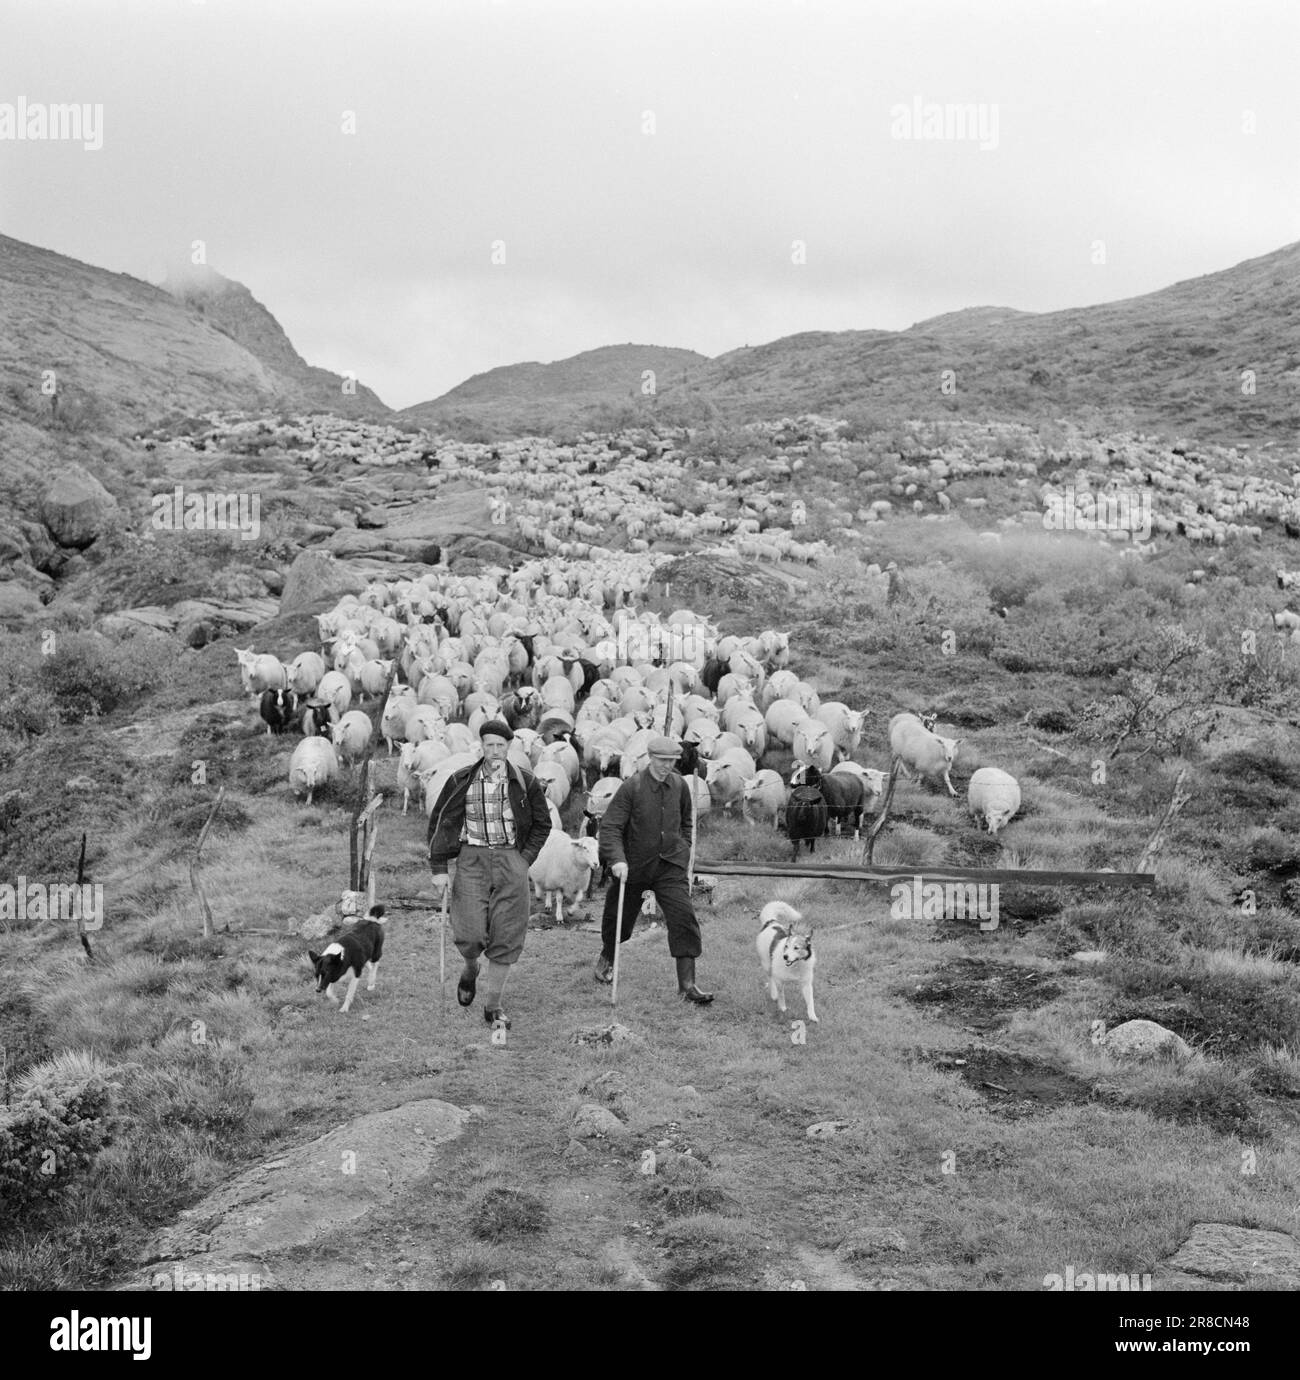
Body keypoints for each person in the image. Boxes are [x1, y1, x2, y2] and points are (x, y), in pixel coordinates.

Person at [427, 720, 552, 1029]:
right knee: (469, 932)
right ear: (480, 747)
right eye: (489, 744)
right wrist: (440, 868)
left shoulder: (524, 781)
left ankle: (493, 1005)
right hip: (472, 858)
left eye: (500, 745)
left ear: (508, 747)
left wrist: (524, 860)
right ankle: (470, 968)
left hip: (512, 860)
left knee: (506, 933)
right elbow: (440, 822)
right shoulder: (461, 780)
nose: (495, 750)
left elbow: (542, 824)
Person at [596, 735, 713, 1004]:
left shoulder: (680, 785)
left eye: (671, 761)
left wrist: (683, 849)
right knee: (619, 920)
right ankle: (607, 956)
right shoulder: (632, 787)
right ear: (650, 758)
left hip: (669, 865)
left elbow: (687, 822)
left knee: (683, 917)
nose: (665, 766)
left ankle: (688, 986)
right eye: (661, 761)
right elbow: (611, 827)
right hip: (634, 866)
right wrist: (617, 859)